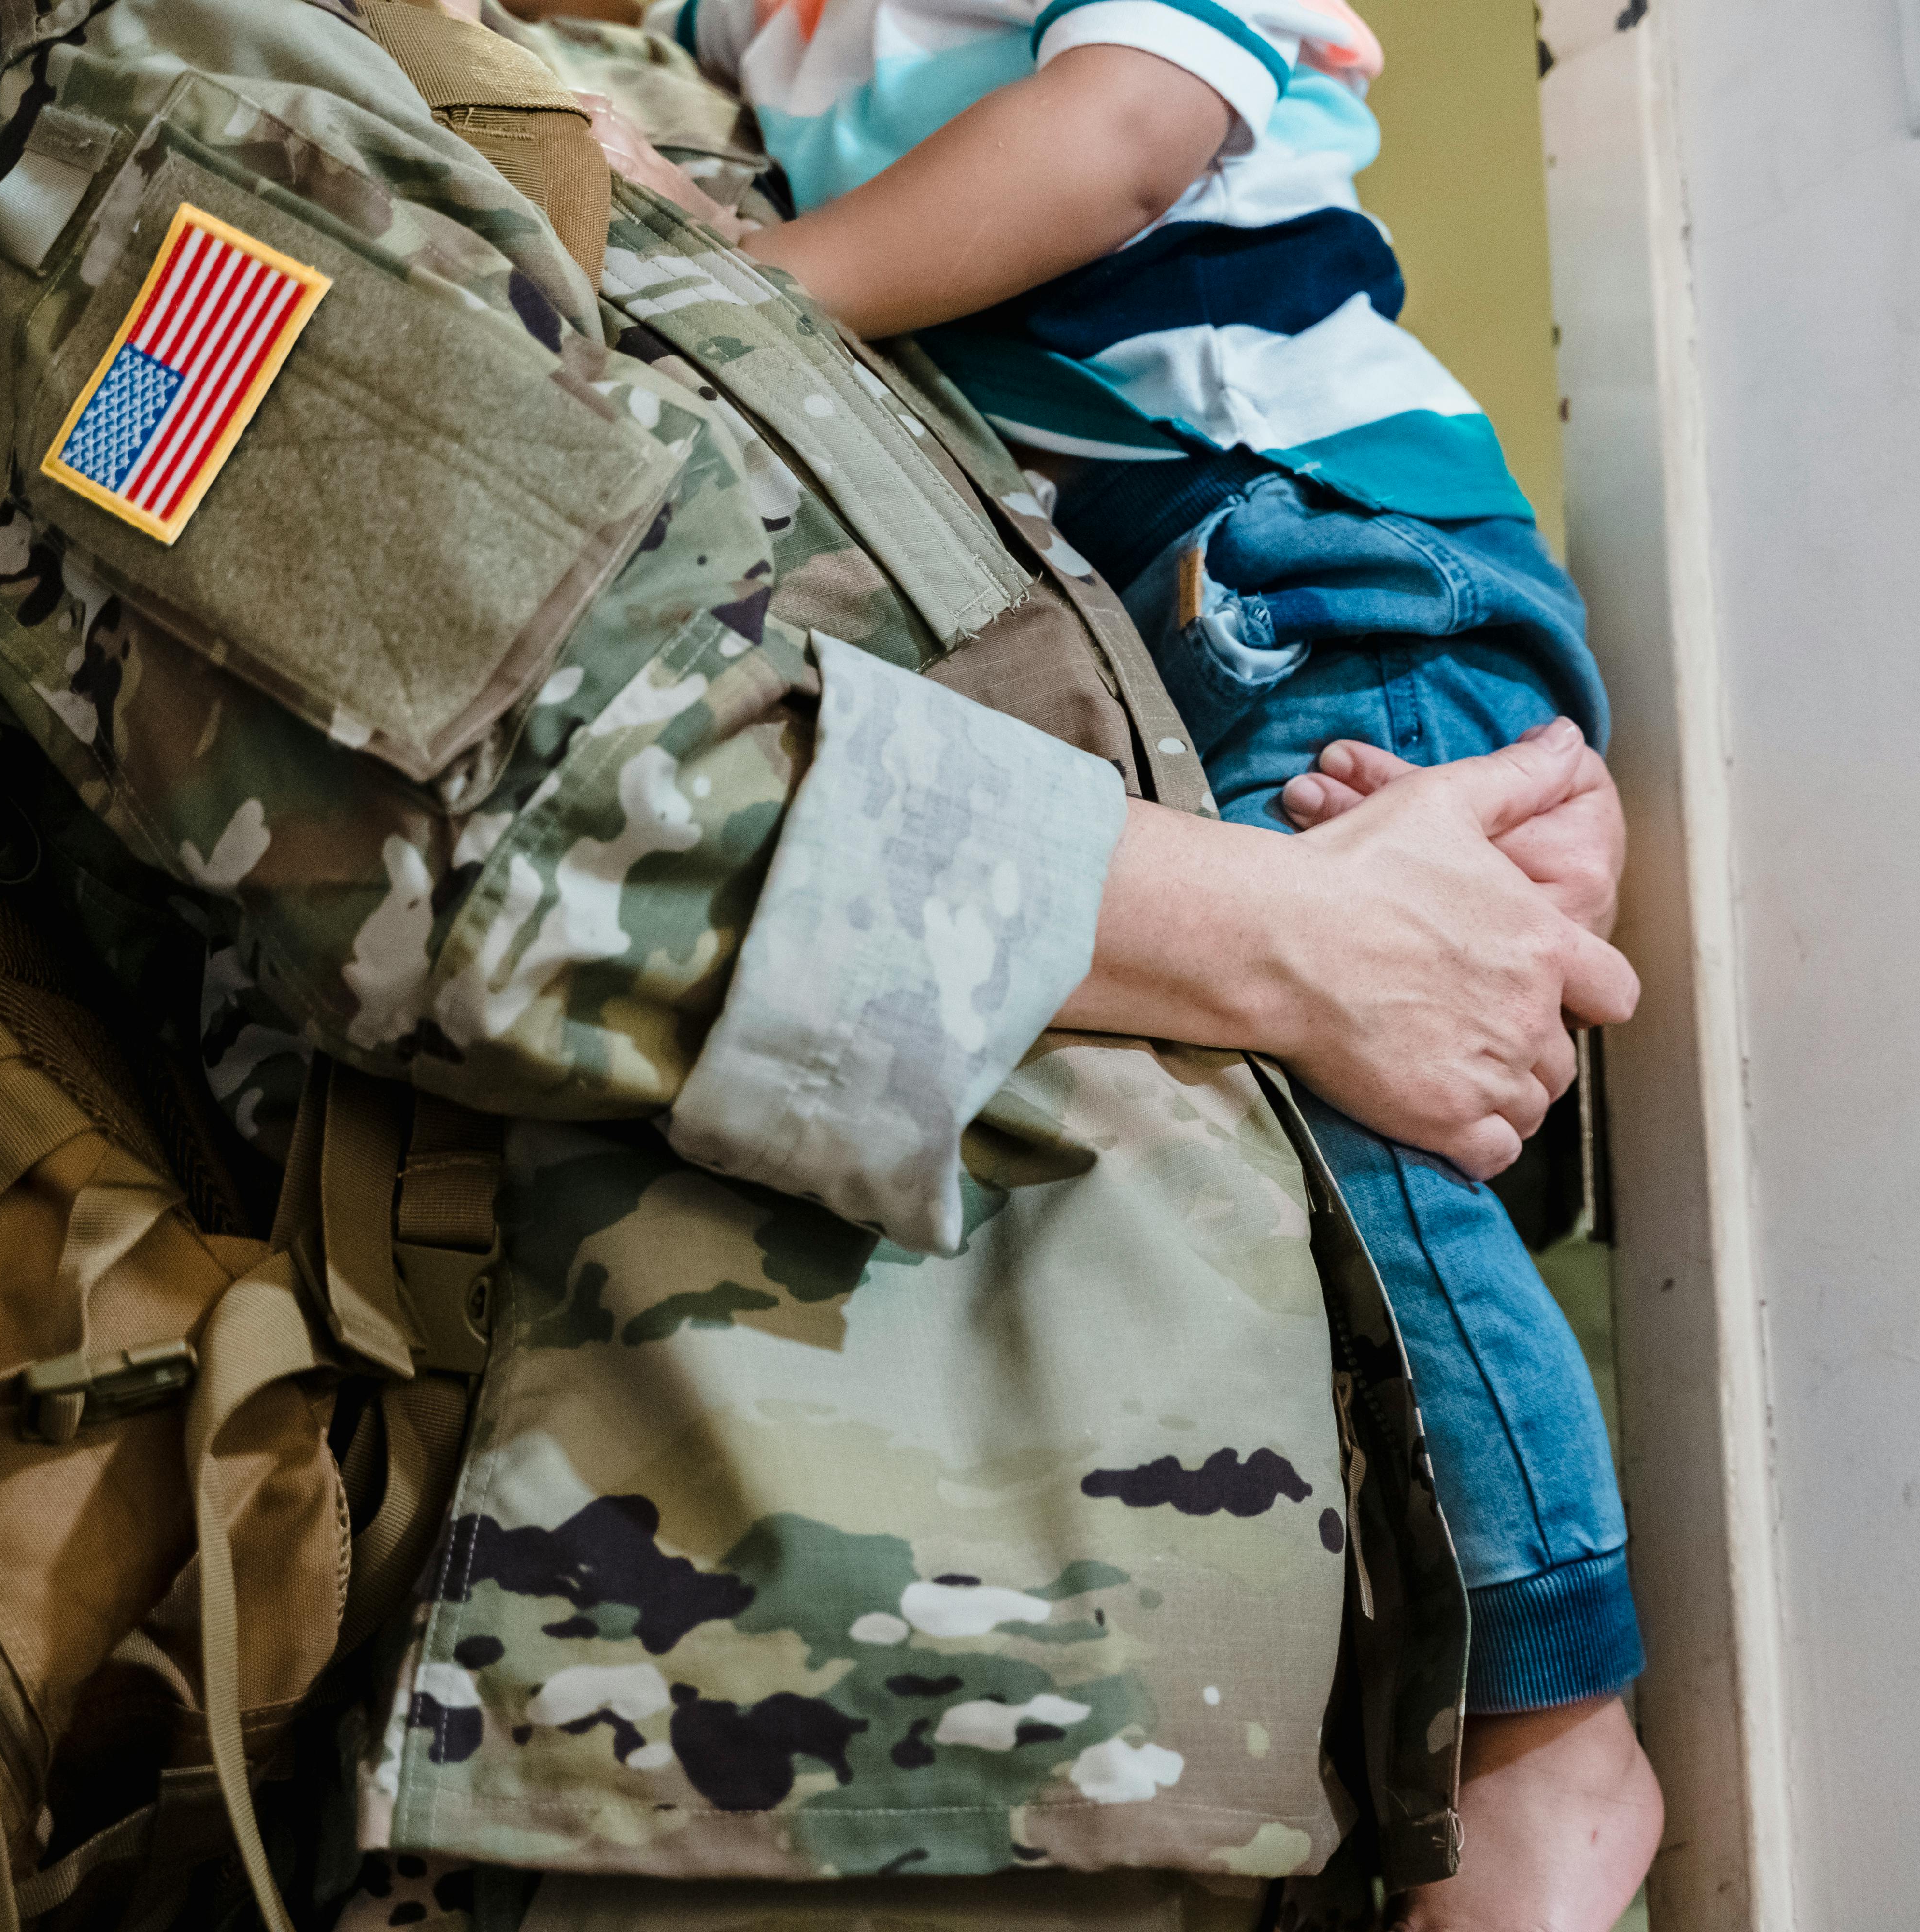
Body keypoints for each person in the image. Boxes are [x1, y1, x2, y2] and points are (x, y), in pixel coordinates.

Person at [0, 0, 1636, 1923]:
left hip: (1128, 1731)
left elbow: (1044, 708)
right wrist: (1292, 932)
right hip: (728, 1741)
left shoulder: (652, 93)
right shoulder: (143, 80)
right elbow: (516, 799)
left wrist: (1453, 850)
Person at [631, 1, 1661, 1922]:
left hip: (1303, 552)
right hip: (1121, 601)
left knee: (1358, 1134)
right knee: (1225, 1149)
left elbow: (1118, 135)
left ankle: (1554, 1730)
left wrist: (751, 291)